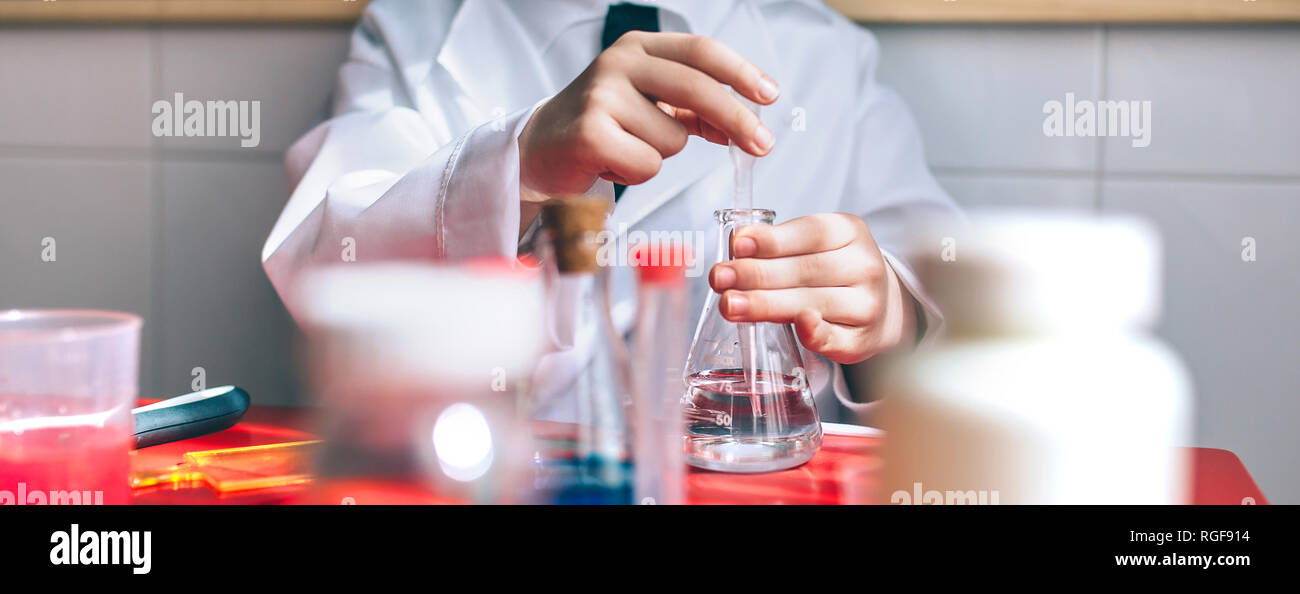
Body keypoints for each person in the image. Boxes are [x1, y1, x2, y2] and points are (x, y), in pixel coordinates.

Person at [262, 0, 959, 421]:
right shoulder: (415, 29)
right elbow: (323, 268)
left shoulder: (826, 56)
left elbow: (957, 316)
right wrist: (514, 162)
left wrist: (892, 318)